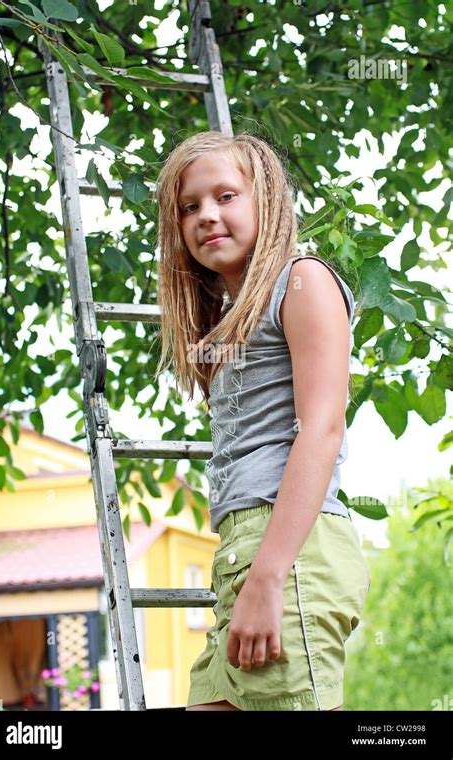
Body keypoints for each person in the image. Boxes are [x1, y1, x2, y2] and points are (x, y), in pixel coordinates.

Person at [153, 130, 371, 711]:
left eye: (225, 196)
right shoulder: (229, 318)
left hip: (288, 551)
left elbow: (321, 429)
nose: (206, 216)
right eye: (189, 207)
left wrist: (269, 576)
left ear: (266, 201)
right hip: (244, 552)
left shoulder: (303, 283)